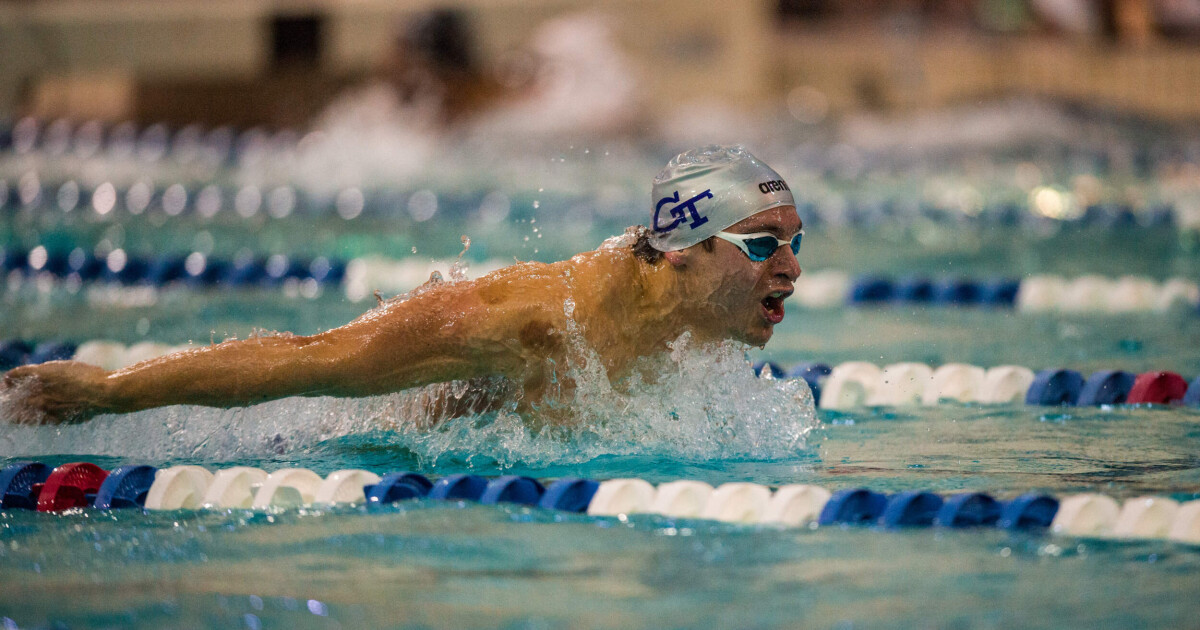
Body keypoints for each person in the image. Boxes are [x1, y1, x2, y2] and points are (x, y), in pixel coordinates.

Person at [1, 145, 803, 425]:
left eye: (796, 243)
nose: (793, 270)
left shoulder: (695, 316)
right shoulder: (536, 322)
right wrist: (107, 391)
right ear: (681, 250)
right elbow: (310, 360)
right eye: (765, 244)